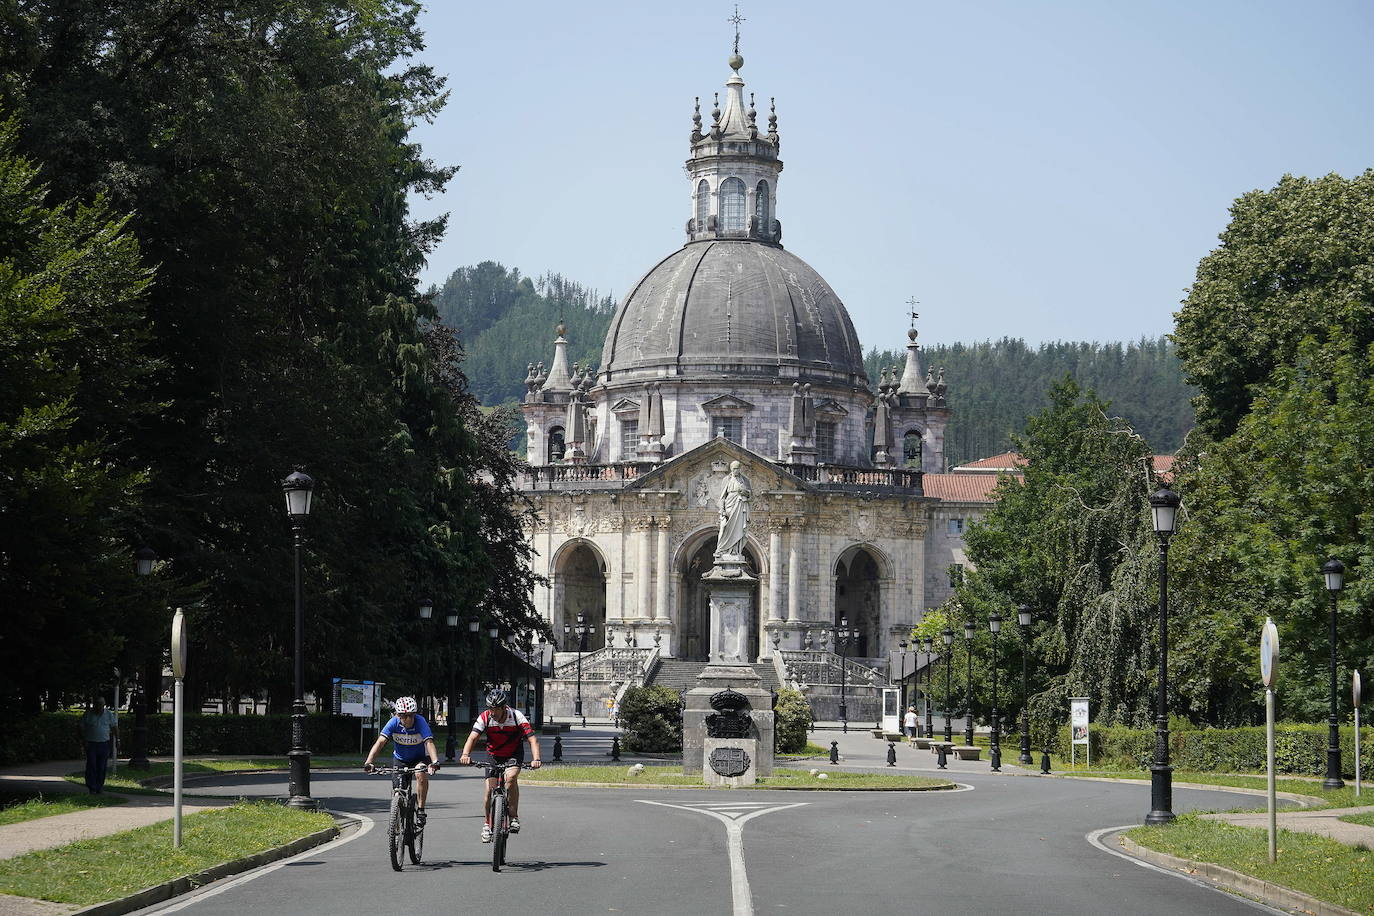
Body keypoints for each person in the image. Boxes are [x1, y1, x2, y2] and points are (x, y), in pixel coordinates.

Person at [461, 688, 542, 842]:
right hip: (493, 755)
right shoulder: (485, 717)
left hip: (513, 754)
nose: (492, 712)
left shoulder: (517, 716)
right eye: (490, 708)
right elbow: (472, 738)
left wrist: (536, 758)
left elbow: (532, 739)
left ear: (504, 708)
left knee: (510, 779)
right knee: (488, 789)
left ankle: (513, 817)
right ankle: (487, 824)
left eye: (496, 709)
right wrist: (465, 755)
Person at [363, 696, 440, 825]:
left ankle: (421, 810)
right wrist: (369, 762)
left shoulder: (420, 722)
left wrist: (435, 761)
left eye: (411, 715)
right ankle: (396, 821)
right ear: (398, 715)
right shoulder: (393, 723)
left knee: (420, 773)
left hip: (419, 758)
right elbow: (380, 742)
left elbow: (429, 742)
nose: (408, 719)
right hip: (400, 759)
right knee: (398, 791)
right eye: (404, 716)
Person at [80, 695, 119, 793]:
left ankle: (99, 786)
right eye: (97, 704)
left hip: (104, 744)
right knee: (92, 765)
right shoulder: (88, 714)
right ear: (94, 705)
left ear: (104, 705)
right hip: (91, 743)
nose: (99, 707)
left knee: (102, 766)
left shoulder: (109, 714)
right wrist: (84, 740)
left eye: (101, 705)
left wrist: (117, 740)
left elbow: (114, 728)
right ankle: (92, 787)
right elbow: (81, 727)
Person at [714, 460, 752, 559]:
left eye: (738, 469)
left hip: (740, 504)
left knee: (738, 528)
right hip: (729, 505)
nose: (736, 471)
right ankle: (722, 549)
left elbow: (750, 495)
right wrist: (722, 509)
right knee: (724, 528)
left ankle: (735, 550)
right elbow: (722, 497)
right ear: (731, 469)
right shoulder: (726, 479)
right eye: (734, 469)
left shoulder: (744, 480)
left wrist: (744, 492)